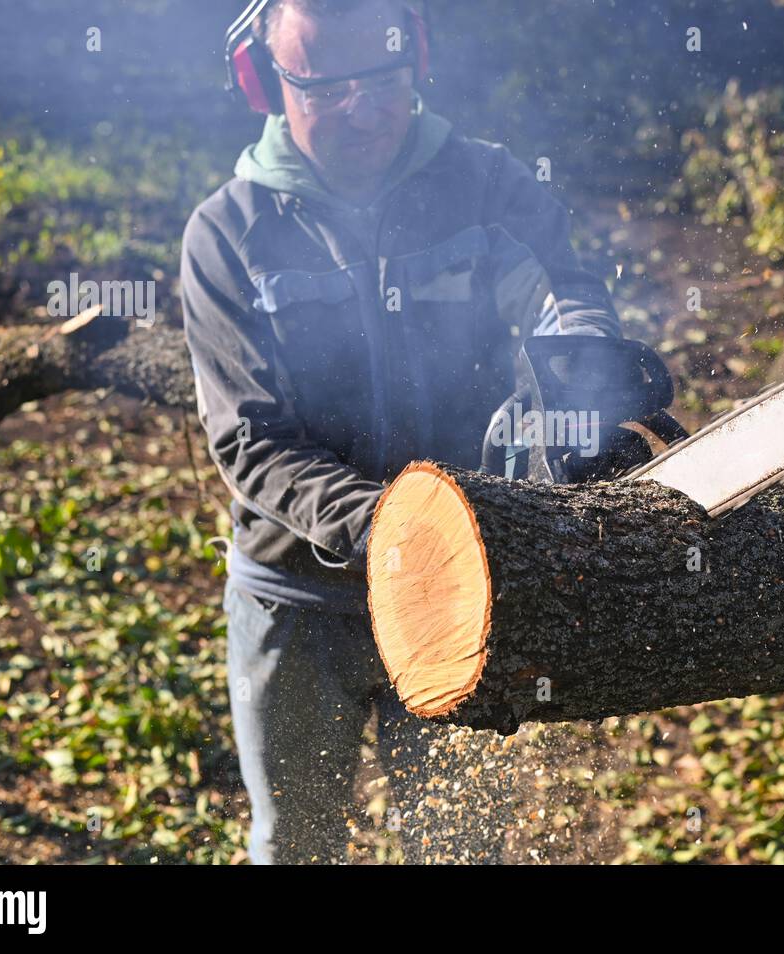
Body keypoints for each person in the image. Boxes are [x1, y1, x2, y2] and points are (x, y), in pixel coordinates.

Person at [180, 0, 621, 863]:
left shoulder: (489, 185)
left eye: (383, 80)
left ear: (415, 57)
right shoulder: (229, 235)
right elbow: (250, 442)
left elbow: (563, 296)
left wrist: (585, 374)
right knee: (297, 841)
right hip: (297, 599)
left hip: (464, 588)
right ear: (264, 82)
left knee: (460, 845)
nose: (367, 109)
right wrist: (396, 528)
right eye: (330, 88)